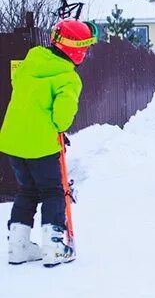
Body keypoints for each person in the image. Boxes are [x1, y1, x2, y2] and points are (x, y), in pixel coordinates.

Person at [1, 18, 97, 267]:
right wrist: (57, 127)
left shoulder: (31, 62)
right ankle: (54, 246)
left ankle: (18, 246)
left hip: (12, 140)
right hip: (41, 143)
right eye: (84, 48)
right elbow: (62, 118)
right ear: (76, 50)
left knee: (27, 190)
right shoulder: (68, 78)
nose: (85, 53)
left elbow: (17, 85)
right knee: (53, 191)